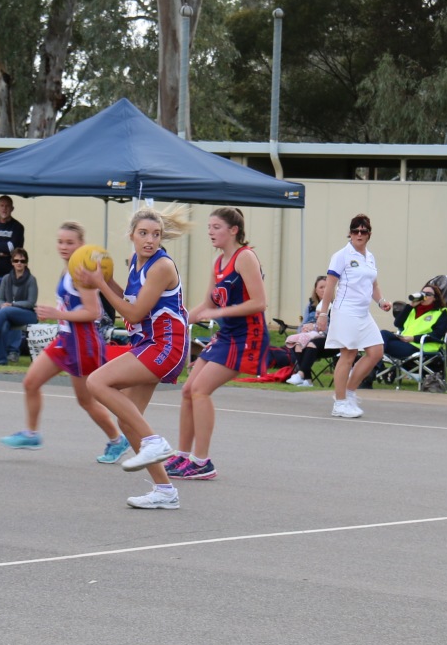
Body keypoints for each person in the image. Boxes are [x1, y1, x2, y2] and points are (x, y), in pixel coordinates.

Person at [81, 206, 190, 509]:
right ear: (131, 236)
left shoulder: (161, 267)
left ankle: (155, 442)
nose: (150, 240)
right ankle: (165, 491)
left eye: (156, 234)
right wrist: (108, 280)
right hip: (148, 344)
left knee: (97, 382)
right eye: (143, 233)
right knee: (128, 420)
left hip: (166, 346)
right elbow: (128, 303)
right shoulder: (135, 265)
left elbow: (134, 313)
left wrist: (101, 285)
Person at [0, 223, 125, 461]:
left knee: (86, 401)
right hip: (66, 339)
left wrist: (58, 315)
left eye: (70, 243)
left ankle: (117, 439)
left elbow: (93, 312)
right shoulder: (67, 270)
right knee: (30, 382)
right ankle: (32, 433)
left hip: (82, 342)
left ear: (81, 245)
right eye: (60, 242)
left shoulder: (80, 273)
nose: (64, 247)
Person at [169, 208, 268, 481]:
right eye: (209, 227)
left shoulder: (244, 257)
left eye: (216, 227)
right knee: (188, 390)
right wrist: (179, 320)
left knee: (200, 390)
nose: (211, 232)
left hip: (246, 335)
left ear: (233, 230)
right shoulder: (218, 262)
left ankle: (202, 462)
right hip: (227, 335)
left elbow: (259, 302)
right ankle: (183, 455)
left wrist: (219, 314)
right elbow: (209, 304)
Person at [319, 213, 392, 419]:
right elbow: (330, 287)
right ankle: (340, 403)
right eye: (355, 231)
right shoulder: (341, 255)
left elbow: (374, 285)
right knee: (348, 354)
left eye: (363, 231)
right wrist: (323, 313)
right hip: (345, 311)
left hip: (363, 312)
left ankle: (348, 393)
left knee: (376, 352)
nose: (359, 234)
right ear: (350, 233)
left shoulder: (370, 257)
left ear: (369, 234)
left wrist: (381, 302)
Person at [378, 278, 447, 387]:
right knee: (382, 334)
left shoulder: (442, 312)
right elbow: (397, 323)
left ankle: (374, 370)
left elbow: (438, 334)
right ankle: (377, 367)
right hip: (404, 341)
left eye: (428, 294)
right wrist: (410, 306)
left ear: (435, 298)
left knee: (381, 344)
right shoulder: (413, 309)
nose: (425, 296)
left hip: (421, 345)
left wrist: (413, 338)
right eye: (423, 293)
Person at [284, 275, 330, 388]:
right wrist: (304, 328)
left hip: (327, 339)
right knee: (297, 344)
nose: (324, 290)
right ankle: (308, 380)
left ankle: (300, 374)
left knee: (310, 344)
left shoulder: (334, 305)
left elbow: (335, 329)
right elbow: (301, 325)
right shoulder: (310, 306)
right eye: (321, 287)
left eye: (327, 287)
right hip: (308, 336)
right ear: (316, 289)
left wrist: (317, 326)